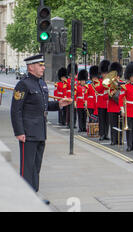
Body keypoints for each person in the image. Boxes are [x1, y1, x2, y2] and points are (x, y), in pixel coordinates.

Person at [11, 54, 72, 193]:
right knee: (27, 167)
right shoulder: (23, 84)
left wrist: (59, 104)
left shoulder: (42, 83)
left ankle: (34, 194)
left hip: (40, 132)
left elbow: (43, 106)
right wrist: (19, 132)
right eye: (40, 65)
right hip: (28, 132)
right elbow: (16, 110)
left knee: (36, 167)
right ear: (31, 67)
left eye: (43, 65)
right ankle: (26, 196)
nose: (44, 68)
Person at [107, 62, 124, 146]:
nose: (117, 77)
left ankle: (119, 139)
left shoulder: (122, 83)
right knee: (113, 125)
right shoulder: (110, 84)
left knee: (120, 125)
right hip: (112, 107)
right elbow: (110, 96)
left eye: (118, 75)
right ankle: (113, 140)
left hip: (120, 108)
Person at [97, 60, 110, 141]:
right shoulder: (99, 82)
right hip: (101, 103)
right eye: (103, 73)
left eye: (106, 73)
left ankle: (106, 134)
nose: (104, 75)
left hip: (108, 103)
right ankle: (101, 134)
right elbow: (98, 90)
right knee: (101, 120)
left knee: (107, 120)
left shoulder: (110, 81)